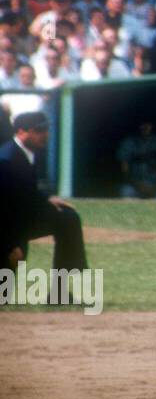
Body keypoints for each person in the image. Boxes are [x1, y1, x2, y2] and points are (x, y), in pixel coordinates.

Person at [0, 111, 88, 301]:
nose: (45, 134)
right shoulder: (6, 160)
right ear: (21, 132)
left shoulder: (27, 152)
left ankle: (60, 291)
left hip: (19, 219)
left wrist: (45, 198)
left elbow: (23, 190)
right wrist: (10, 245)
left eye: (47, 129)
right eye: (39, 130)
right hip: (5, 227)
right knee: (2, 296)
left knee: (67, 218)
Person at [116, 120, 156, 199]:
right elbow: (125, 171)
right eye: (143, 125)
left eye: (148, 125)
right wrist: (138, 185)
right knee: (125, 192)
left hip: (154, 184)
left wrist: (155, 187)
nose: (145, 128)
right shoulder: (128, 143)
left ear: (151, 126)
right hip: (134, 184)